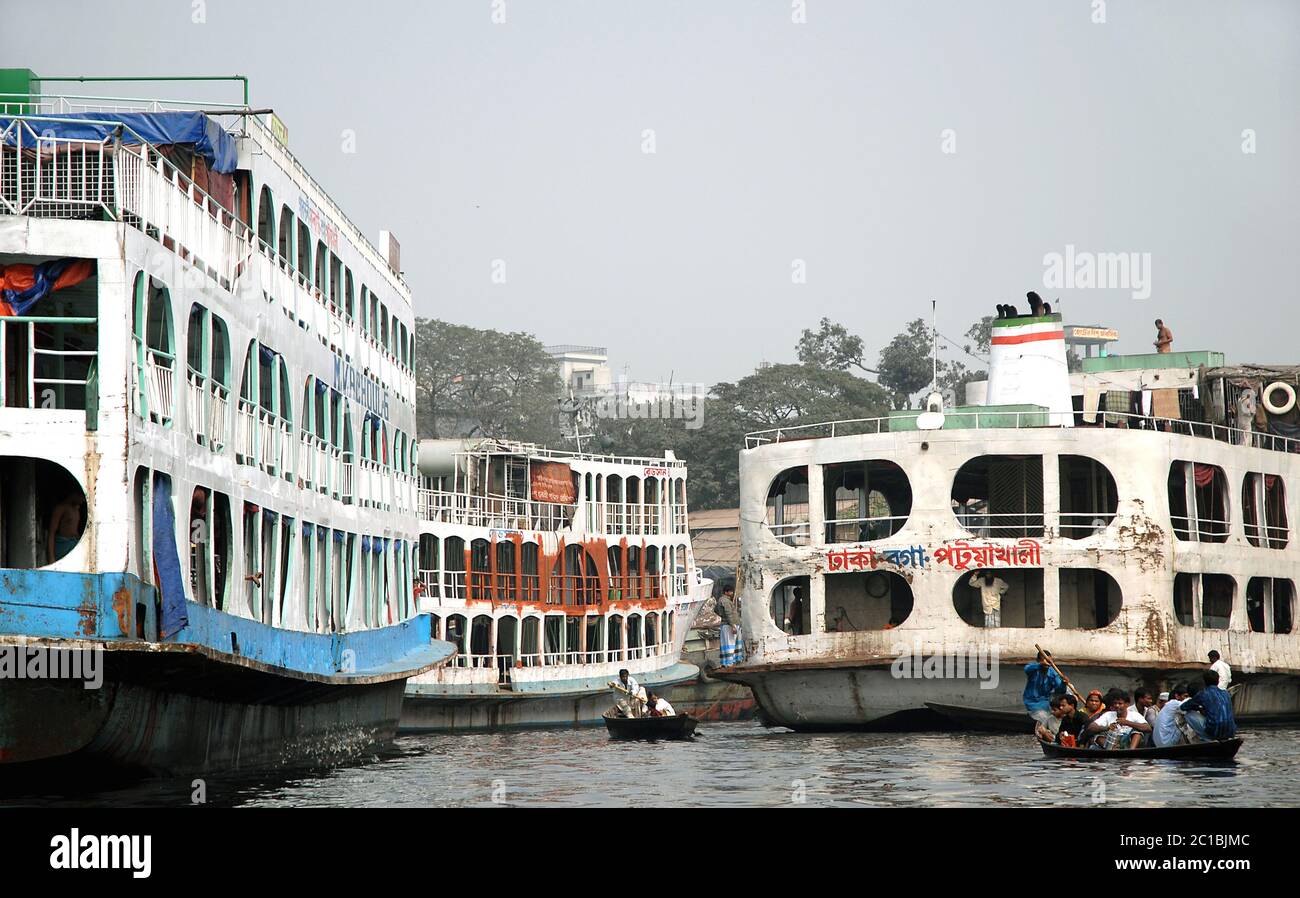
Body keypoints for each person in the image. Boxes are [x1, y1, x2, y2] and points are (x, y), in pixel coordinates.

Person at [1178, 670, 1237, 742]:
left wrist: (1196, 706)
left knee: (1188, 714)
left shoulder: (1203, 694)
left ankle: (1206, 740)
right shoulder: (1226, 693)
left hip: (1214, 732)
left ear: (1205, 682)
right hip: (1230, 732)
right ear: (1218, 681)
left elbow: (1183, 707)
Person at [1086, 689, 1153, 749]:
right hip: (1111, 744)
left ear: (1127, 704)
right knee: (1098, 735)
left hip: (1128, 744)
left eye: (1120, 703)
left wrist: (1127, 723)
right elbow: (1091, 727)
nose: (1117, 706)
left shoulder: (1134, 715)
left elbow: (1148, 728)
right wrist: (1107, 728)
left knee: (1137, 733)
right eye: (1115, 703)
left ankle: (1131, 751)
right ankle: (1111, 750)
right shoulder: (1108, 714)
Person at [1023, 650, 1065, 735]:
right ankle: (1052, 734)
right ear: (1038, 660)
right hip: (1033, 703)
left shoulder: (1052, 672)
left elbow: (1060, 690)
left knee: (1068, 688)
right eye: (1044, 660)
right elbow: (1027, 669)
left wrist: (1064, 683)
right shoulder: (1033, 668)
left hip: (1047, 701)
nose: (1047, 663)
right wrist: (1041, 664)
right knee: (1045, 718)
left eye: (1049, 660)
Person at [47, 489, 83, 564]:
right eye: (81, 496)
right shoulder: (60, 508)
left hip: (74, 544)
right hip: (62, 546)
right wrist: (51, 557)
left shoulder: (76, 510)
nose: (83, 500)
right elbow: (51, 533)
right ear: (74, 494)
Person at [1153, 683, 1191, 747]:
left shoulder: (1168, 706)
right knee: (1189, 715)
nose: (1186, 698)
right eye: (1185, 696)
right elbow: (1189, 704)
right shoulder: (1174, 703)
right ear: (1177, 696)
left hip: (1159, 743)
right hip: (1167, 743)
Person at [716, 584, 744, 666]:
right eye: (731, 591)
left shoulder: (722, 600)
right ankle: (730, 663)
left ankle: (728, 662)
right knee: (730, 644)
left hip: (727, 624)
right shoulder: (725, 601)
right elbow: (728, 614)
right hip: (730, 625)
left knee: (728, 644)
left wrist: (722, 615)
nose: (732, 593)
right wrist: (733, 625)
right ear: (726, 592)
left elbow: (716, 610)